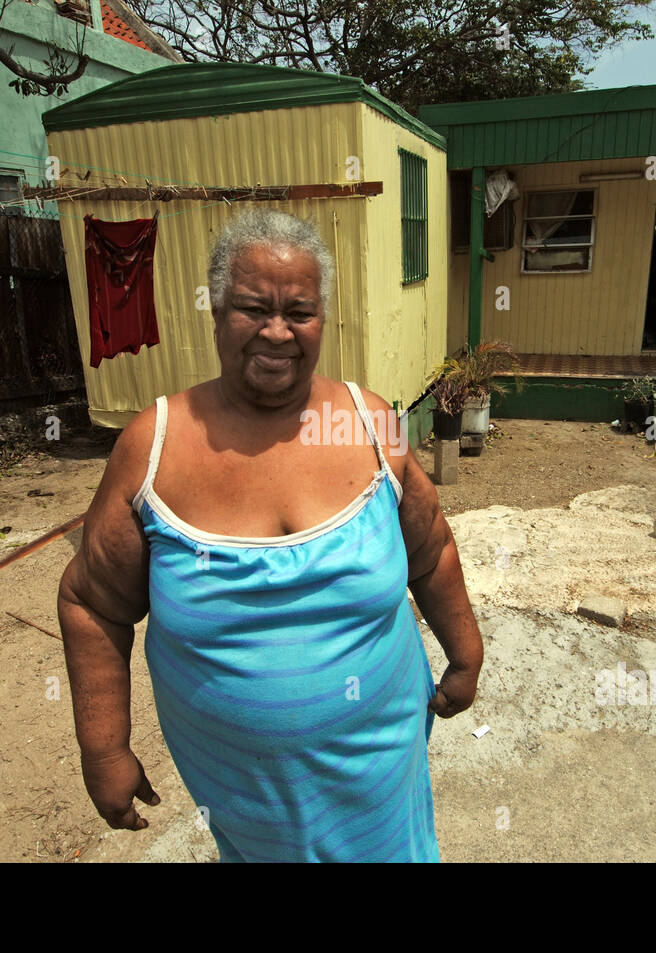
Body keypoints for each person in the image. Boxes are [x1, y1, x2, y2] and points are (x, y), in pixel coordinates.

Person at [57, 209, 483, 862]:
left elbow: (430, 548)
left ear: (322, 318)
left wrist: (466, 651)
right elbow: (92, 603)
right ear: (218, 311)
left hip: (380, 766)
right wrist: (104, 747)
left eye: (300, 310)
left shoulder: (369, 425)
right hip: (245, 798)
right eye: (254, 308)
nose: (277, 332)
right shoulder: (155, 445)